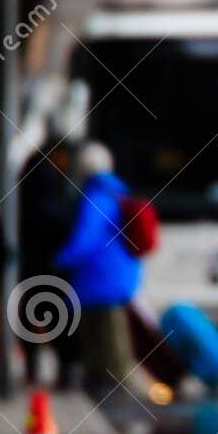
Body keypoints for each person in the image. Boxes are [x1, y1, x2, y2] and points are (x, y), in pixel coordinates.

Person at [52, 142, 141, 398]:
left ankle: (114, 397)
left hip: (99, 279)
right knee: (112, 339)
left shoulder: (96, 196)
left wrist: (61, 258)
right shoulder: (115, 191)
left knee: (105, 342)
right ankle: (112, 390)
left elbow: (85, 238)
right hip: (117, 275)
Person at [16, 138, 82, 387]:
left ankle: (37, 369)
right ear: (56, 154)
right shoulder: (43, 179)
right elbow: (50, 217)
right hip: (47, 261)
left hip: (37, 260)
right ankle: (63, 372)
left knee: (35, 315)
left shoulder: (35, 175)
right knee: (56, 316)